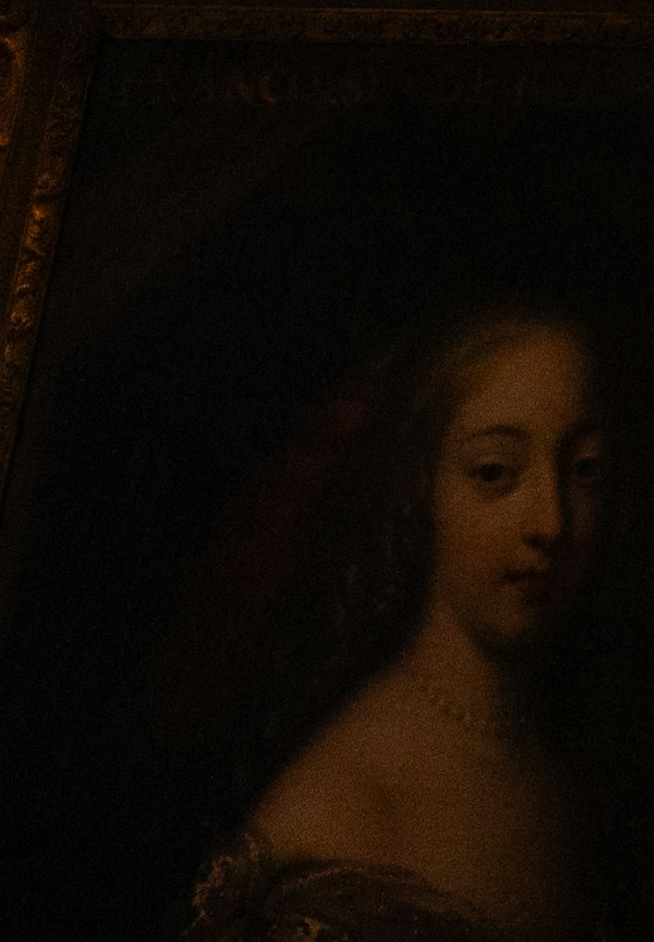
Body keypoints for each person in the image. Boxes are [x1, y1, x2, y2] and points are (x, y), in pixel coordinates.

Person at [199, 306, 617, 941]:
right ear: (422, 492)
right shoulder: (349, 802)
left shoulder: (576, 760)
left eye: (583, 469)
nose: (551, 522)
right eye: (495, 474)